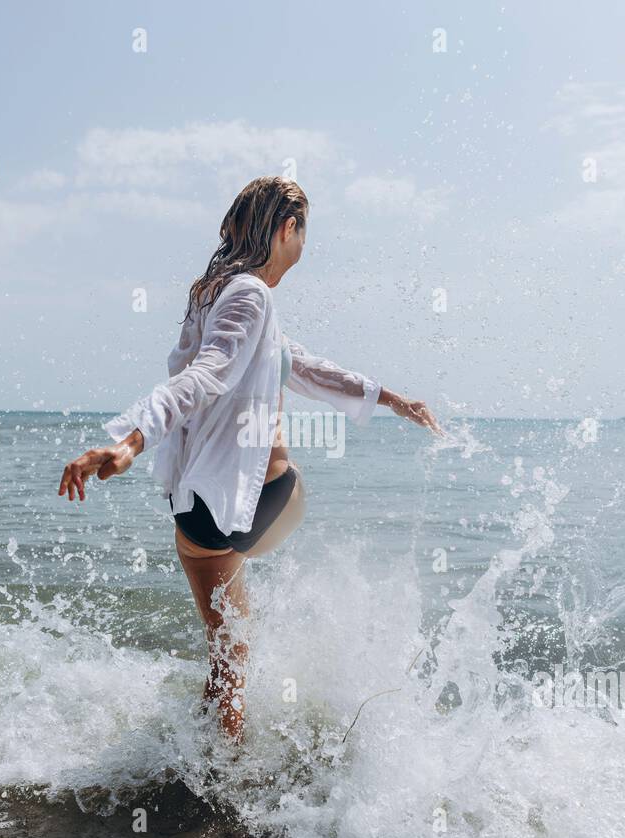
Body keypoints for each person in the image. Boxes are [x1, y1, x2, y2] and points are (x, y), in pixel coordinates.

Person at [58, 176, 439, 741]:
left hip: (198, 512)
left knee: (229, 654)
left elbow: (299, 364)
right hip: (253, 501)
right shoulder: (250, 295)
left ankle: (205, 766)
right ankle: (223, 780)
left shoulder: (223, 294)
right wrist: (131, 440)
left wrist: (389, 398)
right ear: (289, 229)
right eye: (304, 231)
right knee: (233, 652)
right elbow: (206, 376)